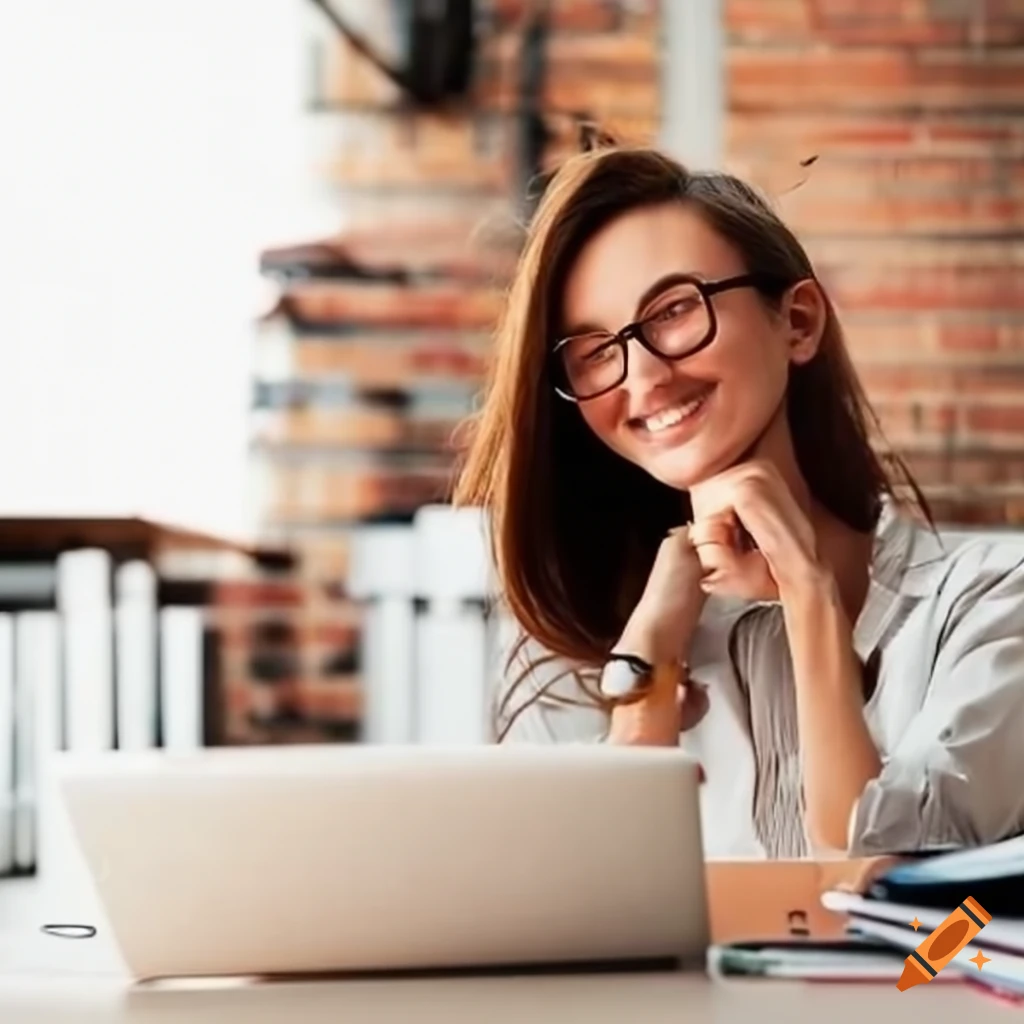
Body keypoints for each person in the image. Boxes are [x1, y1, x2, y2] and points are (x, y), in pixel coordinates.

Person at [453, 146, 1024, 860]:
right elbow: (576, 918)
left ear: (799, 322)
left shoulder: (993, 604)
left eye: (673, 311)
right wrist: (643, 677)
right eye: (596, 351)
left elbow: (887, 895)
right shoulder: (573, 638)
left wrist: (809, 600)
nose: (644, 377)